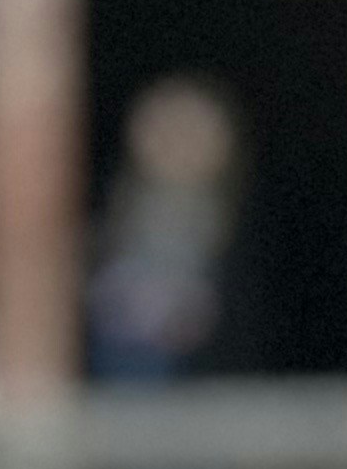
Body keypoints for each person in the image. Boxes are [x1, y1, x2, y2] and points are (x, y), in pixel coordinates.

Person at [86, 74, 245, 384]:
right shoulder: (130, 197)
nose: (177, 145)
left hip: (171, 327)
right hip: (123, 321)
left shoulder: (207, 208)